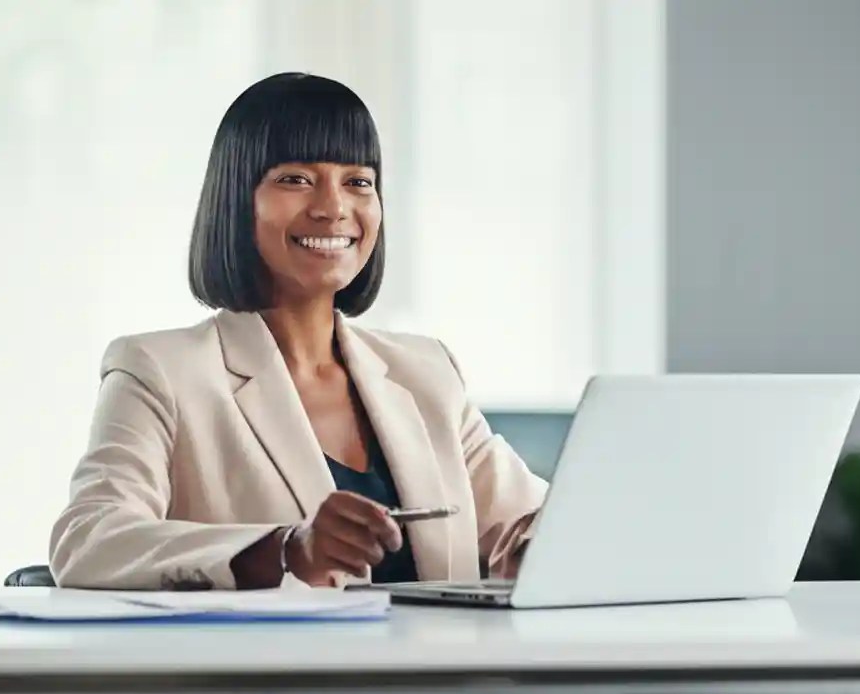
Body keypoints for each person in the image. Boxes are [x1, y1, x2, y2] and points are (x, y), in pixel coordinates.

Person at [49, 72, 546, 591]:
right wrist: (286, 551)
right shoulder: (159, 371)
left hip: (440, 649)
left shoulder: (425, 372)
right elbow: (89, 540)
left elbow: (528, 521)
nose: (333, 208)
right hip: (272, 649)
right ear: (237, 200)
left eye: (358, 182)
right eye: (295, 179)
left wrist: (541, 545)